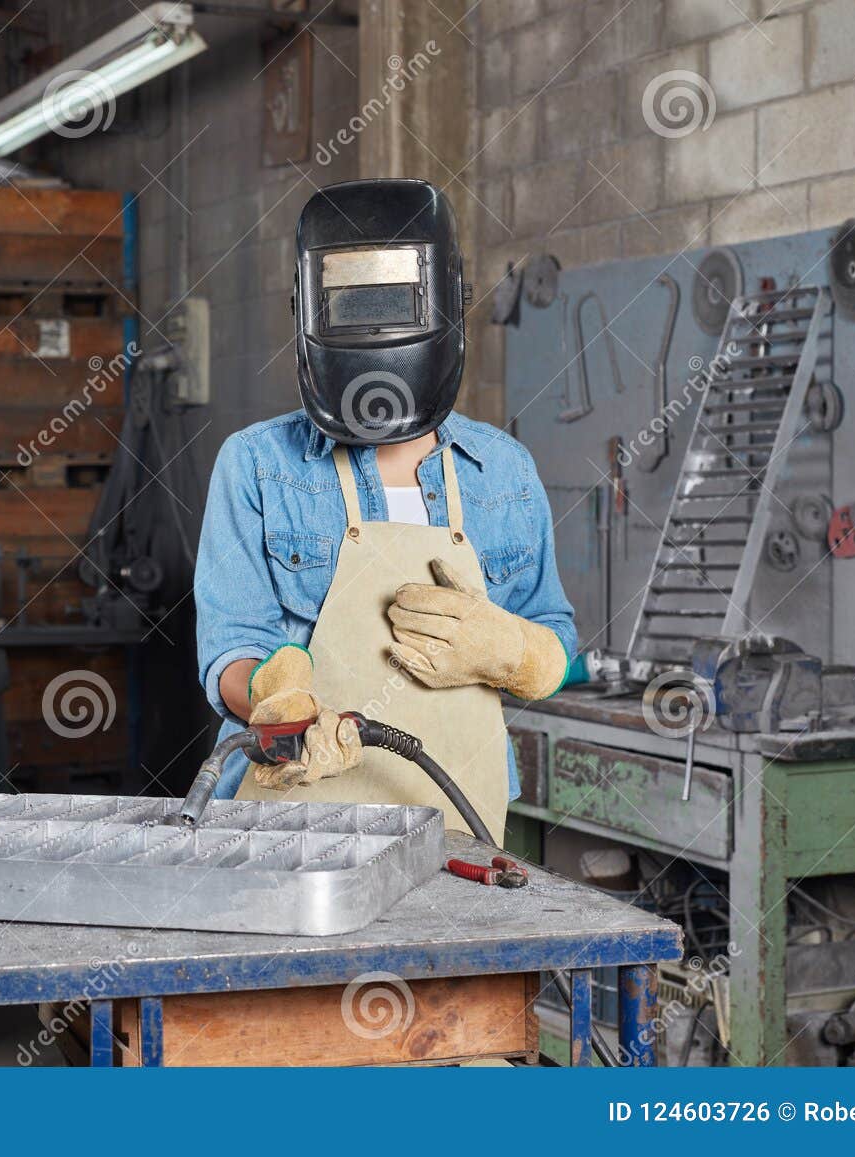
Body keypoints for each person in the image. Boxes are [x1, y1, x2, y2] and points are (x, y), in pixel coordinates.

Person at [194, 179, 577, 837]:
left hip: (459, 818)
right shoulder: (257, 464)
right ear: (308, 309)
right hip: (291, 817)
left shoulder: (505, 473)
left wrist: (522, 653)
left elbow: (555, 632)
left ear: (447, 303)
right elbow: (230, 650)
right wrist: (272, 696)